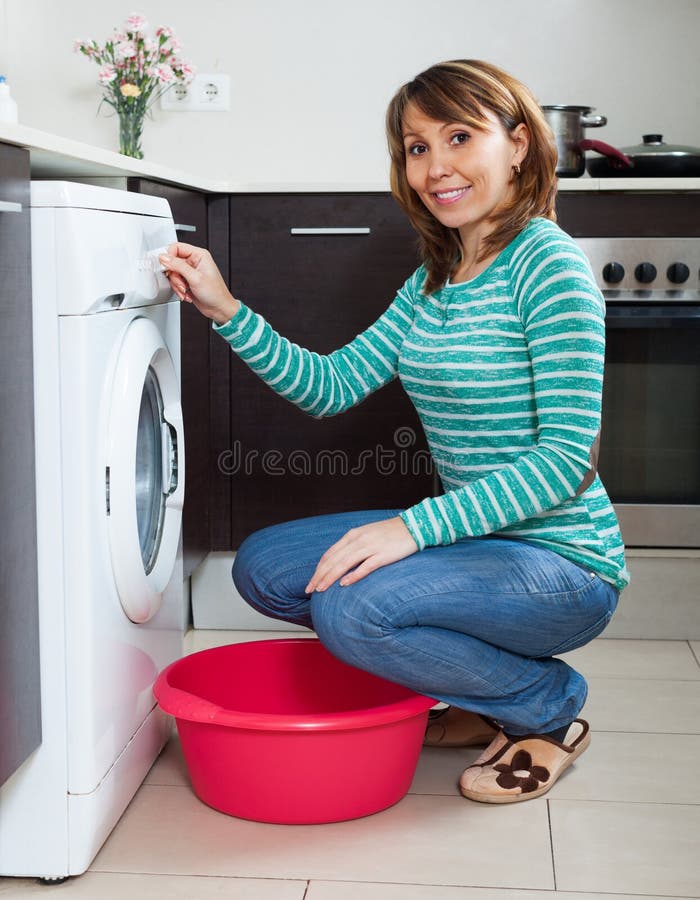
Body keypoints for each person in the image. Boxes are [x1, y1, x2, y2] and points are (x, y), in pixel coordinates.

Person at [160, 59, 629, 804]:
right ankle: (484, 696)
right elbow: (330, 387)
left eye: (459, 137)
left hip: (564, 563)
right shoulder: (434, 280)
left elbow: (567, 459)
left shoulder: (549, 265)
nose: (436, 167)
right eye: (417, 147)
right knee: (265, 568)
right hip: (478, 539)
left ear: (517, 144)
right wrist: (225, 308)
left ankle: (546, 706)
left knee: (352, 609)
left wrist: (412, 529)